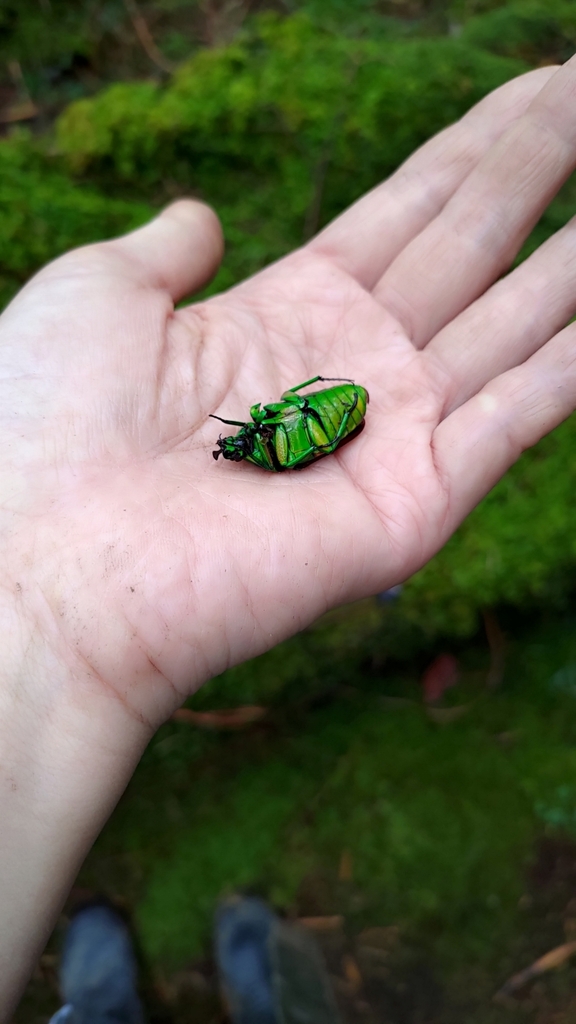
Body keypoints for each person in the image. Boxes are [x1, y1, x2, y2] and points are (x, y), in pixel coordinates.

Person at [1, 53, 576, 1019]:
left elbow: (298, 420)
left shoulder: (281, 432)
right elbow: (291, 425)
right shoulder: (273, 438)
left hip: (320, 418)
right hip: (315, 422)